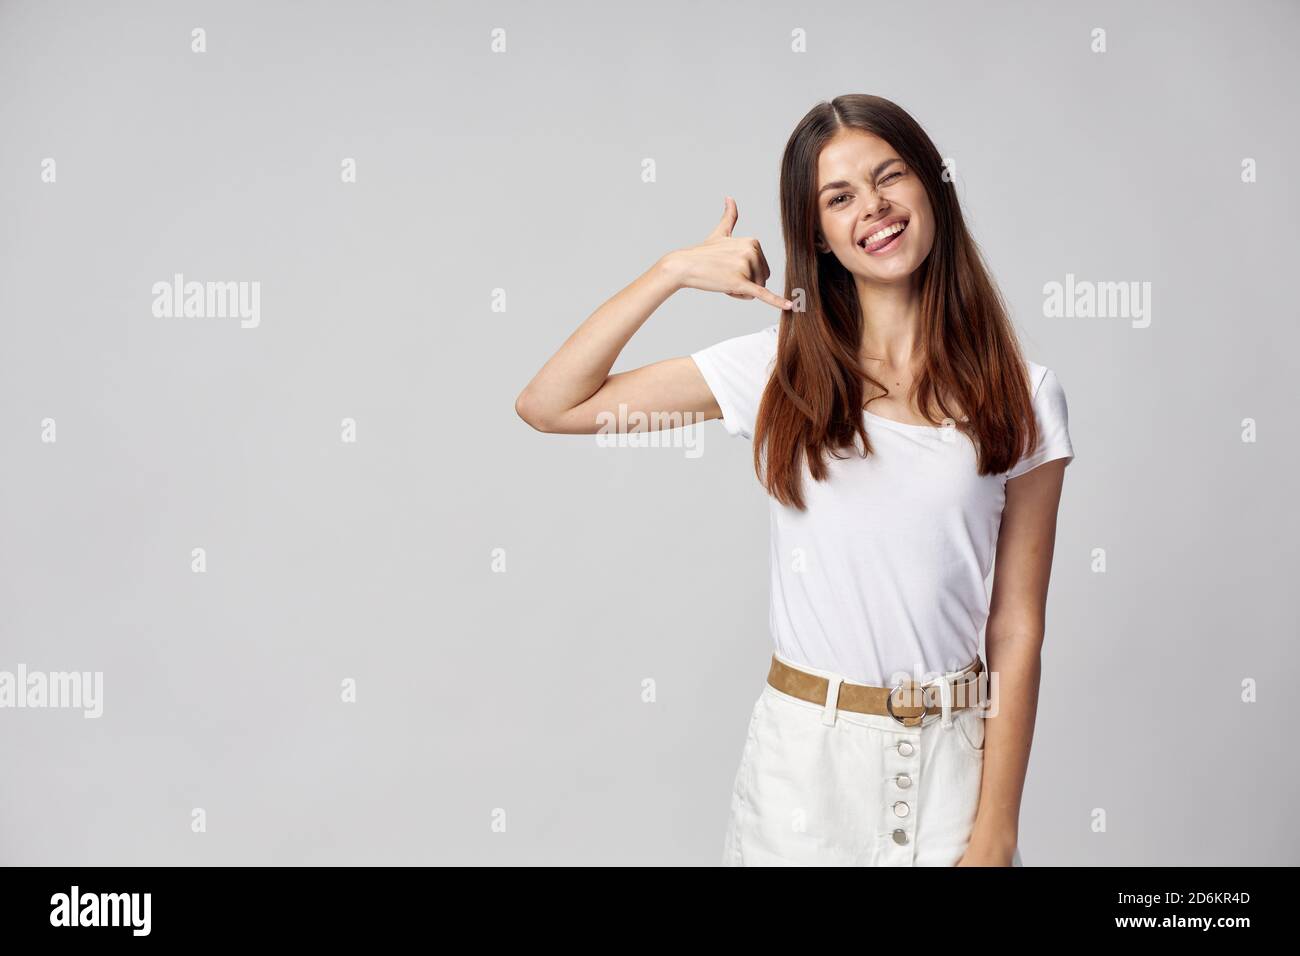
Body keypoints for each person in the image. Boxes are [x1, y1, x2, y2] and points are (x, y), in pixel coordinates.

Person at [514, 94, 1073, 866]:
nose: (872, 208)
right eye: (839, 198)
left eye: (890, 177)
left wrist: (995, 831)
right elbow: (550, 405)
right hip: (805, 777)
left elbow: (1016, 625)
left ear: (932, 186)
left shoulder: (1024, 393)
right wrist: (671, 272)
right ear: (818, 233)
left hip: (953, 767)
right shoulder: (779, 371)